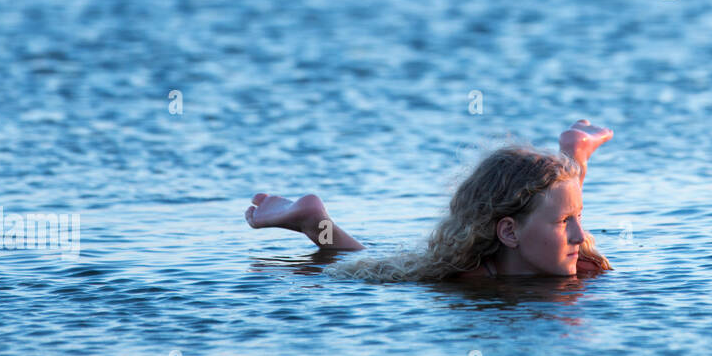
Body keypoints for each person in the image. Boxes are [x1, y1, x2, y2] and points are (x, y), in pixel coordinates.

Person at [243, 120, 614, 281]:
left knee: (561, 195)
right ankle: (315, 223)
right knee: (363, 261)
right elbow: (368, 270)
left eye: (576, 220)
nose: (581, 236)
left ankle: (572, 154)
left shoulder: (581, 264)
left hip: (543, 212)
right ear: (508, 233)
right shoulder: (466, 278)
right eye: (565, 224)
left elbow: (558, 210)